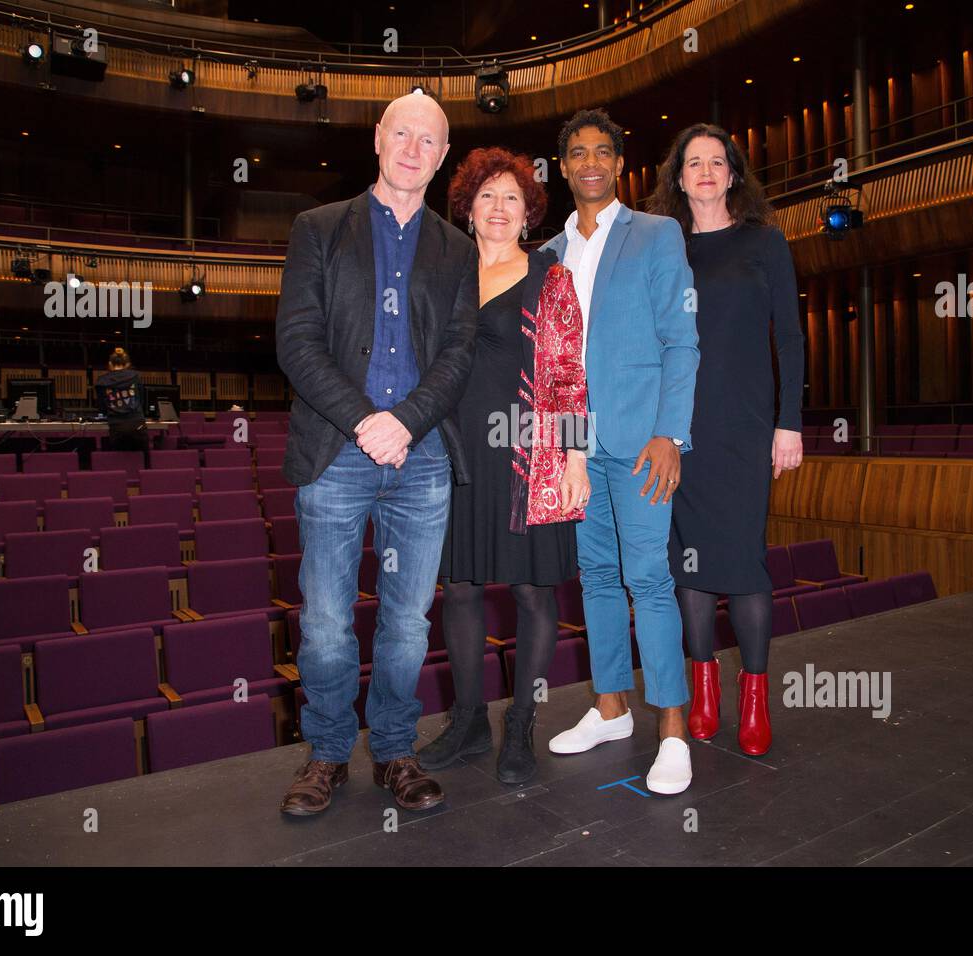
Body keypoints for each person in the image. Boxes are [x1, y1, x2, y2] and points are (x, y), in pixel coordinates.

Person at [275, 91, 477, 817]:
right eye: (403, 133)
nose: (414, 148)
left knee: (408, 621)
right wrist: (368, 422)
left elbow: (458, 356)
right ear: (378, 138)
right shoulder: (319, 228)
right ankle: (327, 753)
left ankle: (394, 748)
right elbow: (296, 344)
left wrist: (407, 424)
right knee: (327, 619)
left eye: (430, 139)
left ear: (443, 155)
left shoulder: (458, 249)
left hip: (421, 458)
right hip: (337, 450)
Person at [416, 148, 590, 784]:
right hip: (451, 454)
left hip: (530, 458)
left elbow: (570, 373)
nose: (498, 207)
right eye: (487, 195)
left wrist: (576, 457)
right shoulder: (445, 274)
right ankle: (468, 722)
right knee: (458, 588)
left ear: (527, 213)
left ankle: (520, 724)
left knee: (530, 590)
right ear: (467, 208)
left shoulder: (551, 277)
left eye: (511, 197)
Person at [541, 108, 701, 795]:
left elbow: (681, 341)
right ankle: (610, 709)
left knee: (649, 581)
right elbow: (556, 367)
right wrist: (563, 450)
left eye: (604, 151)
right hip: (579, 445)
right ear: (564, 166)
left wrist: (671, 433)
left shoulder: (658, 235)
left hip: (642, 443)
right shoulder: (548, 255)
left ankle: (673, 728)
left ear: (618, 162)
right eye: (578, 152)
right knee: (597, 579)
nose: (591, 162)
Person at [649, 123, 804, 756]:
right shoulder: (665, 248)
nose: (706, 172)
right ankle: (703, 696)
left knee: (743, 564)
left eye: (717, 162)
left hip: (744, 426)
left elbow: (790, 338)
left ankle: (755, 701)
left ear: (733, 174)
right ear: (678, 177)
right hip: (680, 429)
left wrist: (788, 421)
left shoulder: (764, 243)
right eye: (694, 163)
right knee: (688, 566)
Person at [95, 348, 147, 454]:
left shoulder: (102, 381)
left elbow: (102, 406)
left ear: (110, 363)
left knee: (119, 460)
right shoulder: (135, 377)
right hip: (136, 422)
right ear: (127, 363)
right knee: (140, 459)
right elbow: (141, 399)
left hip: (116, 425)